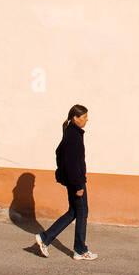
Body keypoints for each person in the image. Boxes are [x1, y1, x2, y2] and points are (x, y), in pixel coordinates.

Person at [35, 105, 96, 260]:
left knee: (73, 212)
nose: (87, 120)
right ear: (75, 118)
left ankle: (45, 238)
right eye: (84, 117)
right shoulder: (73, 136)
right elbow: (72, 163)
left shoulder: (71, 133)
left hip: (74, 180)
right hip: (77, 182)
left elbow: (59, 153)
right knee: (82, 213)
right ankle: (80, 250)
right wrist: (77, 185)